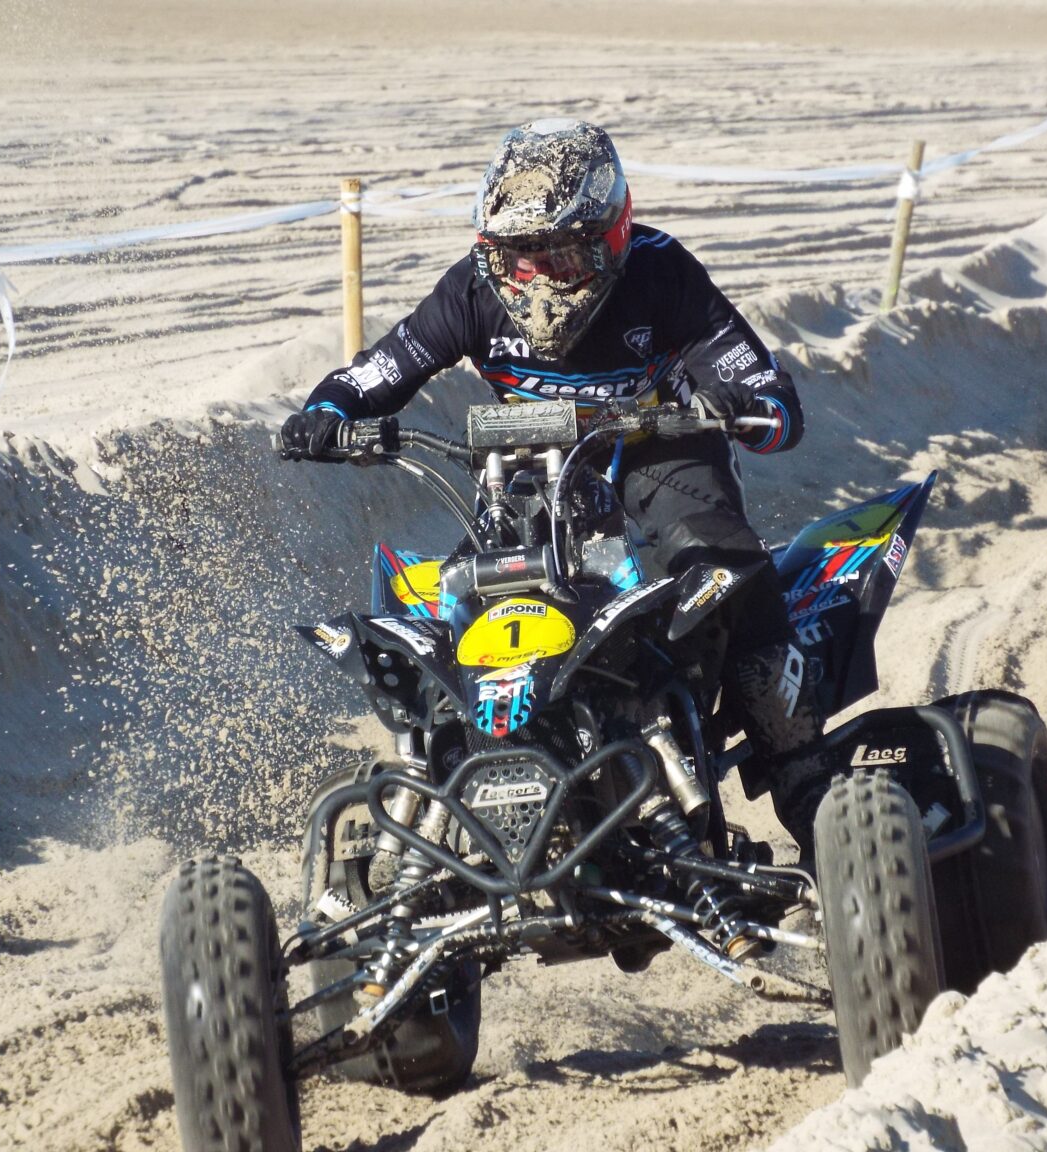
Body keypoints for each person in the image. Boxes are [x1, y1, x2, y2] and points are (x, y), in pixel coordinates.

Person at [282, 119, 828, 855]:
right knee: (450, 608)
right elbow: (385, 368)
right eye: (519, 256)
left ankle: (795, 766)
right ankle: (445, 788)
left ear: (612, 236)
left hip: (660, 455)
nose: (539, 275)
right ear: (490, 252)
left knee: (722, 565)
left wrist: (747, 405)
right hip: (527, 484)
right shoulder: (470, 291)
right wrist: (327, 412)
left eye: (564, 253)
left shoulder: (663, 274)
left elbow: (765, 393)